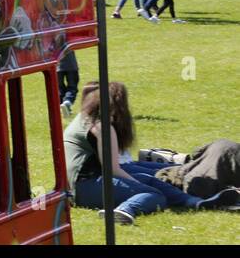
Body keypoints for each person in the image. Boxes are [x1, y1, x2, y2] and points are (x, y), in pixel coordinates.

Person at [64, 81, 235, 224]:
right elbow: (113, 170)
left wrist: (143, 180)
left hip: (77, 187)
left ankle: (195, 203)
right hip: (84, 187)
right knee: (152, 194)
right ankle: (123, 210)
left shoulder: (82, 120)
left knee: (148, 178)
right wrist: (140, 185)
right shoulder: (102, 127)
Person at [57, 48, 80, 117]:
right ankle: (67, 101)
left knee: (59, 88)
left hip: (57, 66)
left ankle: (64, 107)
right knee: (72, 87)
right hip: (71, 65)